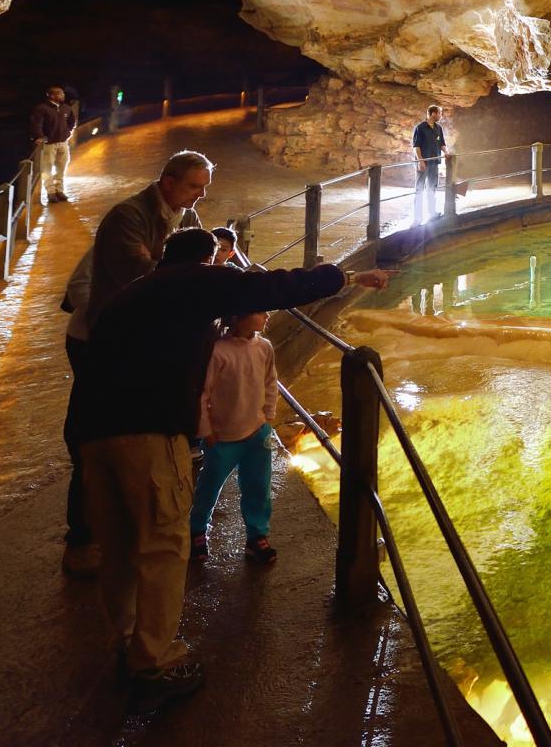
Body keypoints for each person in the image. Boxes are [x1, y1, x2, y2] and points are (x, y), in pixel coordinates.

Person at [73, 226, 392, 712]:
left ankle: (126, 640)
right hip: (145, 431)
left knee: (119, 543)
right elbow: (273, 288)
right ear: (209, 262)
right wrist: (345, 277)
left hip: (94, 432)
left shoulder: (135, 293)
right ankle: (154, 661)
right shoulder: (196, 282)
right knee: (163, 543)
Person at [59, 151, 213, 578]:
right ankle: (82, 539)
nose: (199, 196)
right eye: (193, 187)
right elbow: (145, 272)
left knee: (128, 430)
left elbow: (179, 270)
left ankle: (121, 524)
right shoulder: (127, 217)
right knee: (95, 429)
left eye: (203, 189)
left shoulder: (184, 218)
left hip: (138, 339)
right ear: (168, 181)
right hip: (100, 340)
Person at [188, 305, 278, 567]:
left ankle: (257, 535)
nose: (267, 316)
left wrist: (268, 416)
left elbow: (270, 381)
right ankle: (197, 528)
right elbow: (203, 393)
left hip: (256, 431)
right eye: (260, 311)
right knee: (210, 486)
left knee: (258, 486)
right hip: (223, 436)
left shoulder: (264, 347)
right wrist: (206, 430)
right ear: (239, 317)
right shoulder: (218, 351)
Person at [30, 84, 78, 204]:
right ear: (51, 95)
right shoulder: (42, 108)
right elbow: (37, 124)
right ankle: (50, 193)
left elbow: (72, 121)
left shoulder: (66, 108)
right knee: (47, 168)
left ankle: (59, 190)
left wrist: (68, 133)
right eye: (60, 93)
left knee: (61, 167)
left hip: (63, 143)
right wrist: (40, 137)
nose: (63, 95)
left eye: (62, 93)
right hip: (49, 144)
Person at [412, 105, 447, 221]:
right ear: (433, 114)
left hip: (434, 163)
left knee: (432, 188)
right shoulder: (420, 128)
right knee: (419, 189)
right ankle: (417, 217)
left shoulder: (438, 128)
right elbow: (416, 146)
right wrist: (421, 161)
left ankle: (432, 213)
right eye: (440, 113)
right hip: (424, 163)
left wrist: (446, 152)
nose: (441, 116)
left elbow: (441, 143)